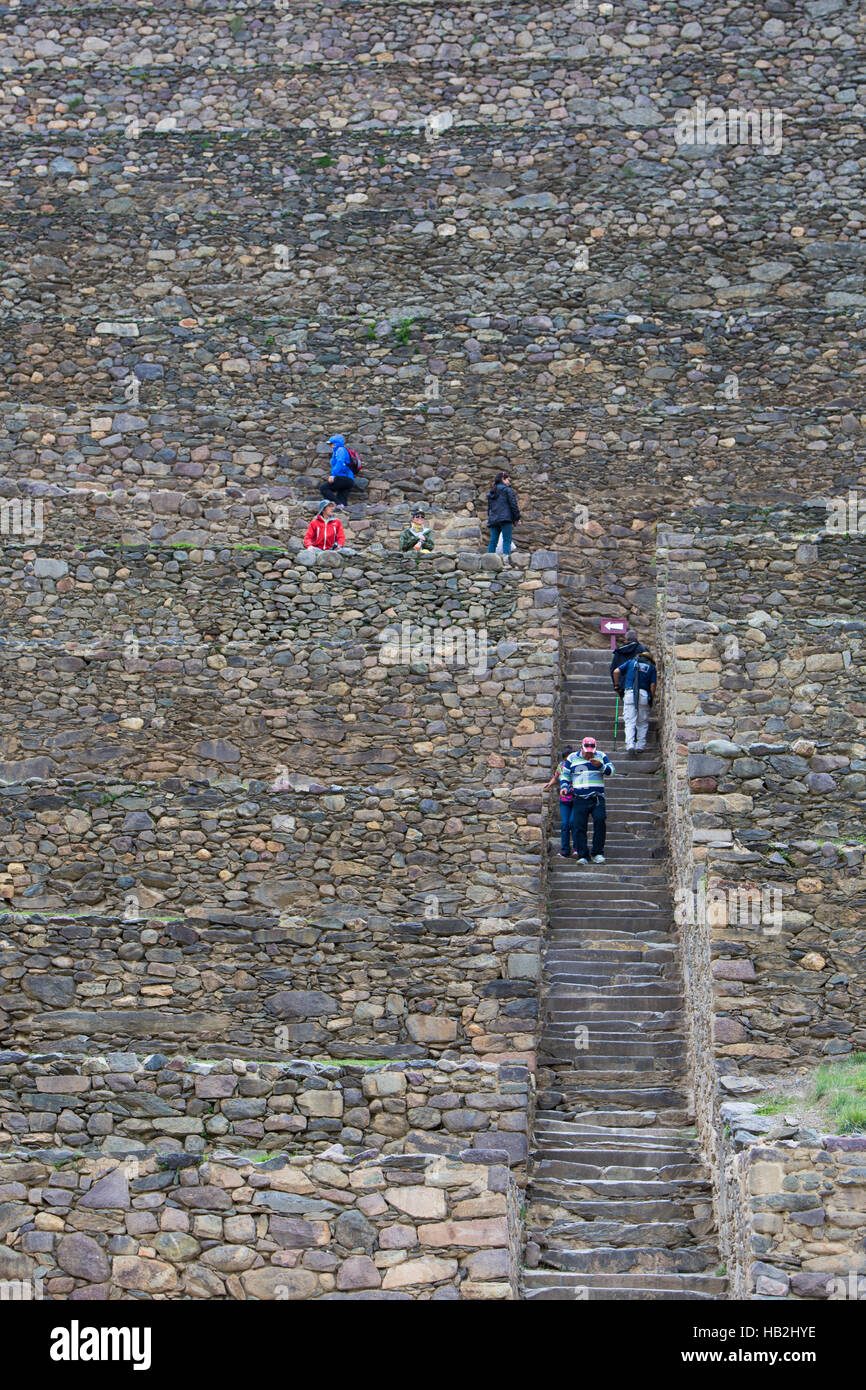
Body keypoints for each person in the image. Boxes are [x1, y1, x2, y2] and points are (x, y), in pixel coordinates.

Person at [563, 736, 615, 864]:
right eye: (587, 751)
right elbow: (565, 773)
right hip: (580, 798)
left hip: (597, 797)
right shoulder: (572, 758)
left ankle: (597, 853)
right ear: (582, 748)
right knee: (579, 826)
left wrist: (601, 766)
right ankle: (583, 855)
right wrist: (564, 786)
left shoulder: (601, 756)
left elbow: (611, 771)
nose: (589, 754)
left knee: (600, 821)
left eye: (591, 751)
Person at [614, 649, 657, 754]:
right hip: (643, 695)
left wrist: (617, 686)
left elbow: (616, 671)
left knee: (629, 721)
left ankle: (630, 745)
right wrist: (651, 697)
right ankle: (640, 746)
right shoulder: (651, 667)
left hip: (629, 694)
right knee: (642, 722)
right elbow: (652, 685)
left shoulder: (631, 662)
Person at [544, 745, 575, 857]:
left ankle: (576, 849)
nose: (567, 762)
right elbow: (556, 777)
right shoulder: (561, 766)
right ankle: (565, 850)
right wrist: (550, 783)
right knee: (565, 824)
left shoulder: (578, 766)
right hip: (564, 800)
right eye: (565, 759)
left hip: (576, 799)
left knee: (573, 823)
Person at [486, 470, 520, 558]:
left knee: (493, 541)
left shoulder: (491, 492)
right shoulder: (507, 490)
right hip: (505, 518)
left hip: (493, 519)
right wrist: (517, 518)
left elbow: (489, 508)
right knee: (507, 540)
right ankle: (505, 560)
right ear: (503, 479)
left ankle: (489, 560)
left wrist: (490, 518)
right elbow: (513, 504)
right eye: (508, 480)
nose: (509, 482)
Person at [320, 434, 355, 508]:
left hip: (343, 478)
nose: (331, 446)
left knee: (324, 488)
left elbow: (340, 462)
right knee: (342, 498)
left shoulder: (340, 450)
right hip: (349, 479)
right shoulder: (341, 451)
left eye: (332, 443)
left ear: (337, 443)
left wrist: (333, 474)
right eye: (330, 444)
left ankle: (337, 503)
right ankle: (342, 510)